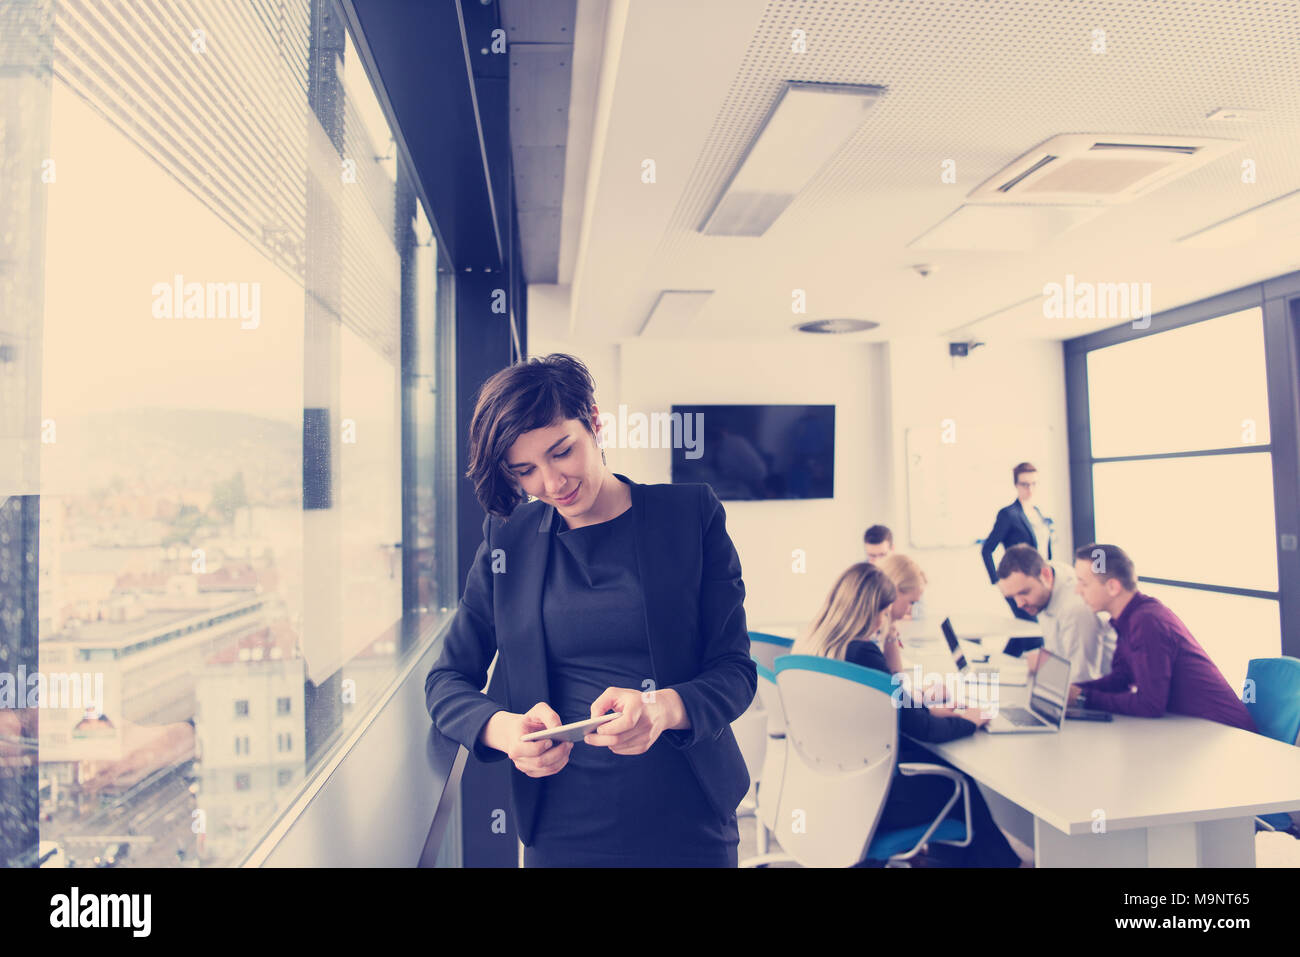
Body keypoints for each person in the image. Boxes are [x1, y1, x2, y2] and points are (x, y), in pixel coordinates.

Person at [424, 354, 757, 867]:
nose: (552, 482)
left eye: (562, 452)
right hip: (561, 827)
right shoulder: (506, 540)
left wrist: (663, 708)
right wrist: (505, 730)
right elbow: (447, 680)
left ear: (595, 423)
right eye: (525, 470)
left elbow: (735, 672)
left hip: (689, 818)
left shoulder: (690, 515)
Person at [793, 563, 1021, 867]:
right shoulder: (861, 653)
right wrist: (969, 720)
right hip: (875, 798)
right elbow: (923, 729)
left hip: (834, 789)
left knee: (944, 771)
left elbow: (894, 708)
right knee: (963, 783)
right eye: (885, 612)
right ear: (872, 610)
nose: (887, 620)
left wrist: (923, 705)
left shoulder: (814, 647)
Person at [1068, 544, 1257, 732]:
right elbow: (1120, 680)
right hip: (1197, 730)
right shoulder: (1130, 618)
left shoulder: (1146, 621)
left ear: (1112, 587)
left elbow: (1149, 704)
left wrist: (1083, 697)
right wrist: (1070, 691)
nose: (1077, 590)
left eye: (1083, 583)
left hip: (1227, 734)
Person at [996, 545, 1112, 683]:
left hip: (1095, 696)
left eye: (1024, 592)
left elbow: (1080, 681)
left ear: (1046, 576)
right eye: (1012, 597)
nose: (1019, 604)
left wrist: (1043, 666)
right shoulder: (1046, 581)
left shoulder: (1075, 609)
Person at [981, 462, 1054, 622]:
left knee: (1030, 631)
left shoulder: (1038, 513)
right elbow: (987, 549)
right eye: (1025, 484)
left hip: (1040, 580)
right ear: (1016, 485)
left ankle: (1006, 650)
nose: (1030, 489)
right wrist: (997, 581)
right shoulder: (1008, 514)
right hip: (1019, 583)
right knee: (1031, 630)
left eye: (1034, 484)